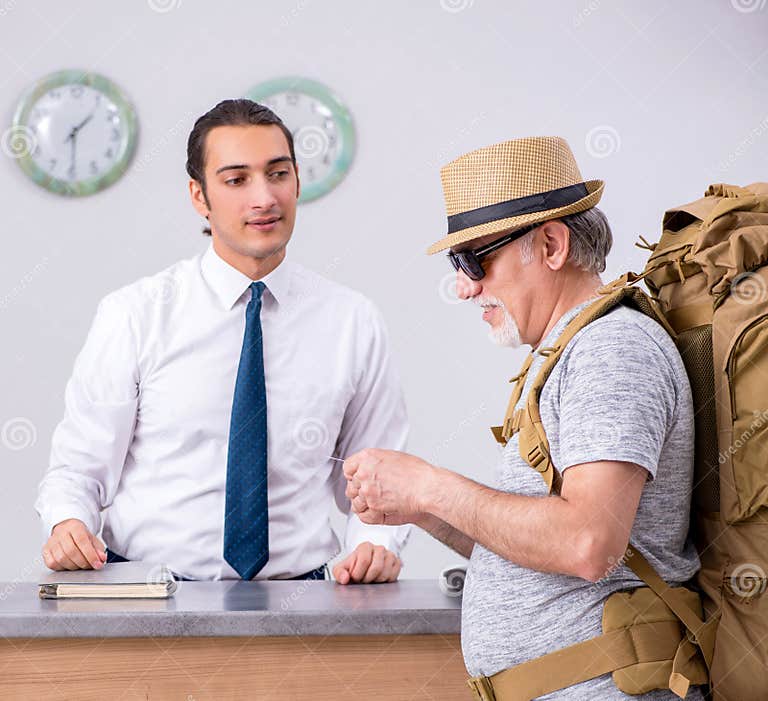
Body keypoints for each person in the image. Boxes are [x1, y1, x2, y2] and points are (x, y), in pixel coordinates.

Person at [343, 137, 703, 698]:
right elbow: (537, 543)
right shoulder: (569, 353)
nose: (464, 288)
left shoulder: (612, 349)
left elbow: (586, 541)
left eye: (473, 260)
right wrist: (419, 505)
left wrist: (433, 488)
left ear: (552, 244)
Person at [35, 98, 409, 584]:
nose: (264, 198)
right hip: (149, 597)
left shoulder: (353, 320)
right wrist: (68, 524)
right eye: (237, 180)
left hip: (304, 598)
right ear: (199, 196)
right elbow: (78, 471)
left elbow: (377, 478)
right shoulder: (134, 314)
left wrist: (375, 545)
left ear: (297, 181)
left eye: (278, 174)